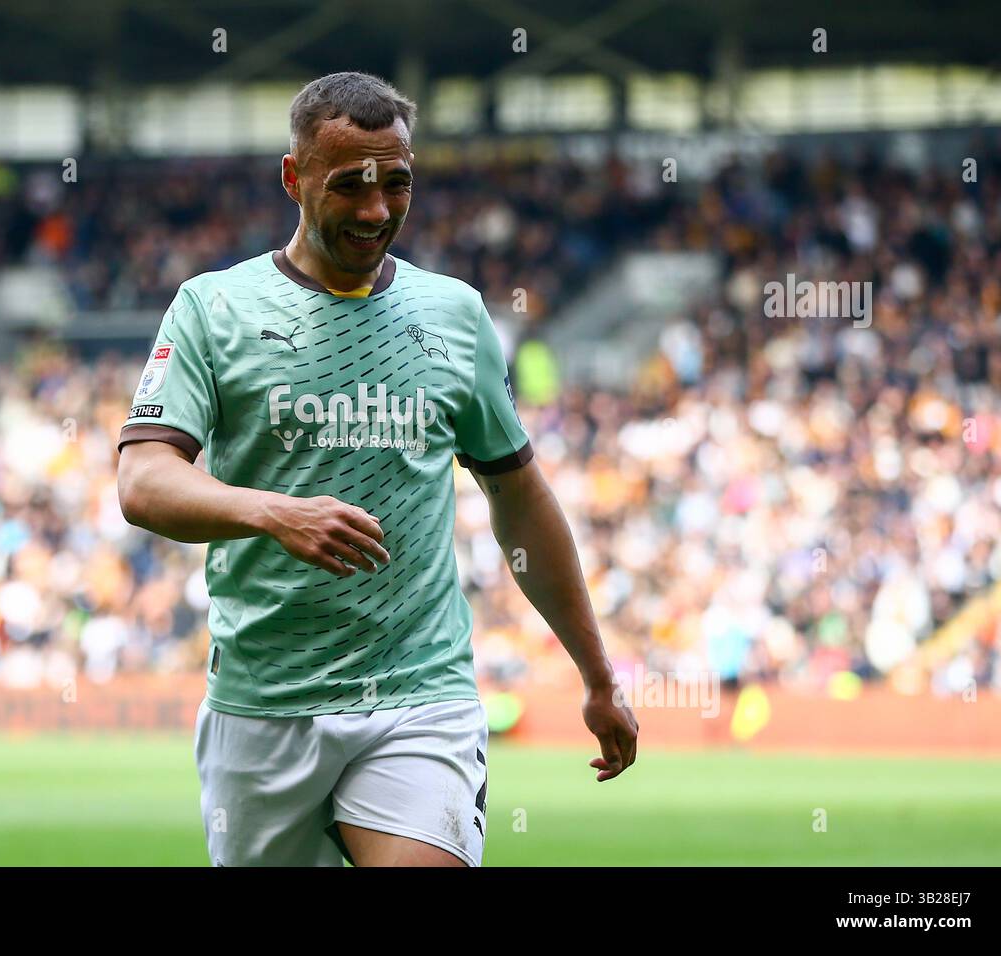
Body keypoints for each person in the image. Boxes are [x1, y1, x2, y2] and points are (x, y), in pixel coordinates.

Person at [116, 71, 637, 867]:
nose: (377, 209)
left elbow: (520, 496)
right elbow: (143, 480)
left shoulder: (454, 315)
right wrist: (271, 512)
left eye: (397, 184)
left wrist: (597, 674)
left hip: (418, 693)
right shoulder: (213, 308)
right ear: (293, 179)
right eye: (351, 185)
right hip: (265, 703)